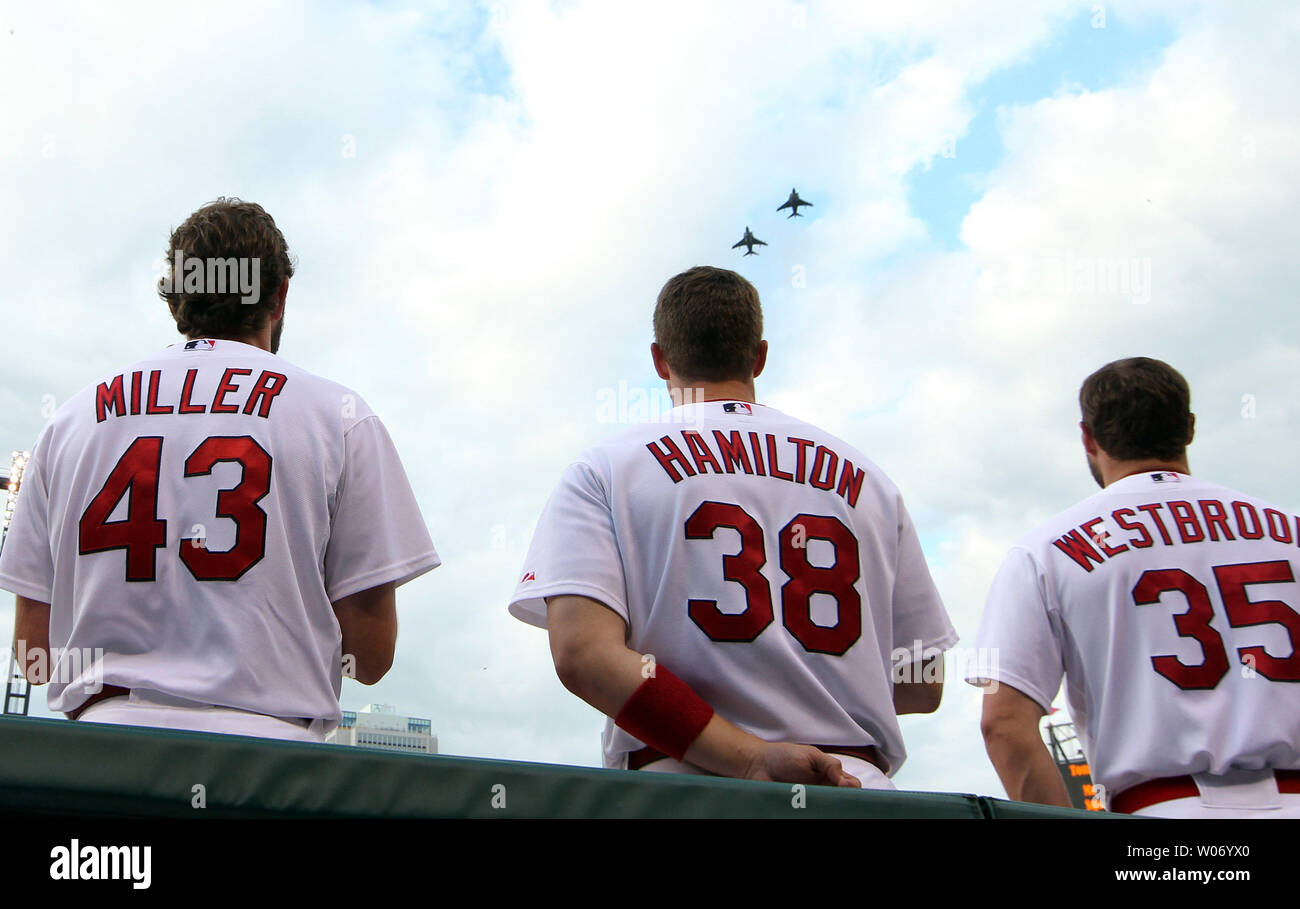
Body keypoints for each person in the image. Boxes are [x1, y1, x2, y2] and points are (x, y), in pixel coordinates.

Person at [0, 198, 439, 742]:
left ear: (176, 300)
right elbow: (370, 657)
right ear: (278, 296)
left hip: (107, 748)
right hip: (269, 755)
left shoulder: (69, 420)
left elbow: (33, 653)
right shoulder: (340, 417)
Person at [507, 266, 957, 788]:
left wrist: (748, 753)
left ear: (660, 359)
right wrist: (810, 688)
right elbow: (922, 683)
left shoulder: (604, 469)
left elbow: (584, 654)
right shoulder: (871, 479)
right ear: (759, 356)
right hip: (853, 787)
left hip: (684, 783)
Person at [968, 357, 1300, 817]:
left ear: (1088, 437)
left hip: (1162, 813)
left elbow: (1003, 724)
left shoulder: (1044, 551)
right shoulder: (1291, 529)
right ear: (1189, 428)